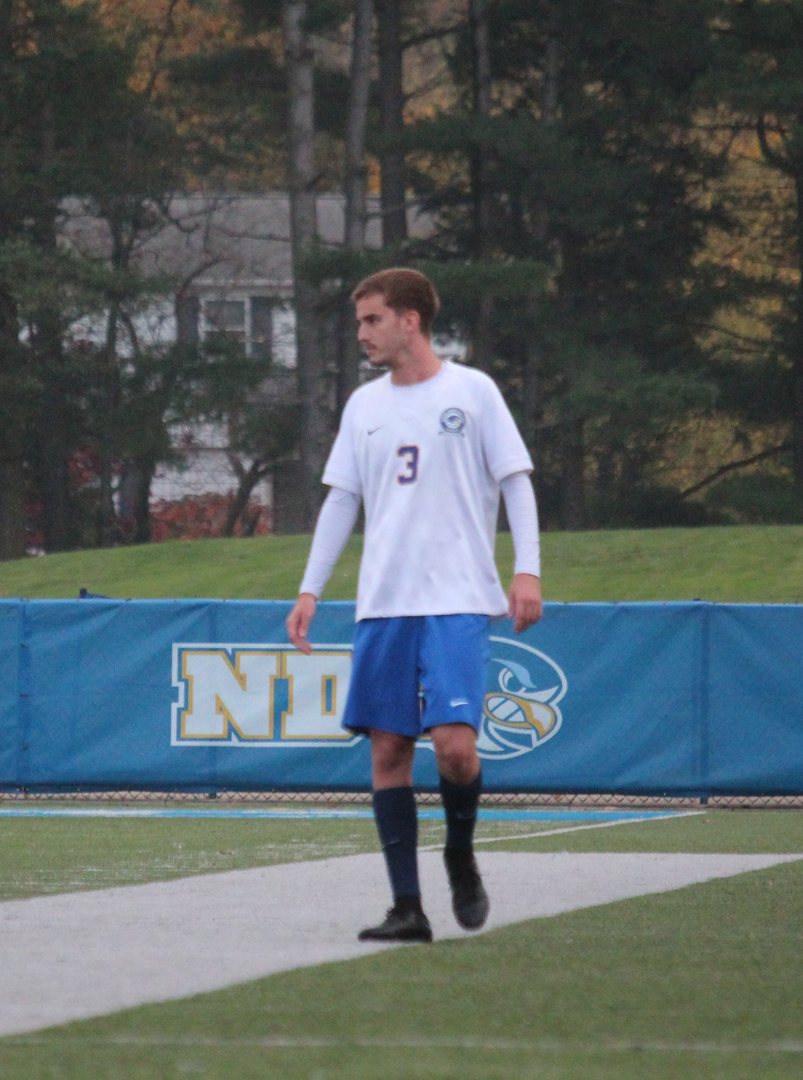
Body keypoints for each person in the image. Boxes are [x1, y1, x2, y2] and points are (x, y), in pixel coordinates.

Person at [286, 267, 543, 943]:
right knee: (389, 749)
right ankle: (408, 907)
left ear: (410, 320)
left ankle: (460, 852)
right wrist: (311, 588)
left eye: (371, 320)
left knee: (457, 749)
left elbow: (516, 481)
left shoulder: (473, 391)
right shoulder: (363, 408)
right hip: (384, 604)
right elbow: (343, 499)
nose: (362, 334)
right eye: (359, 322)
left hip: (457, 597)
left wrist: (527, 572)